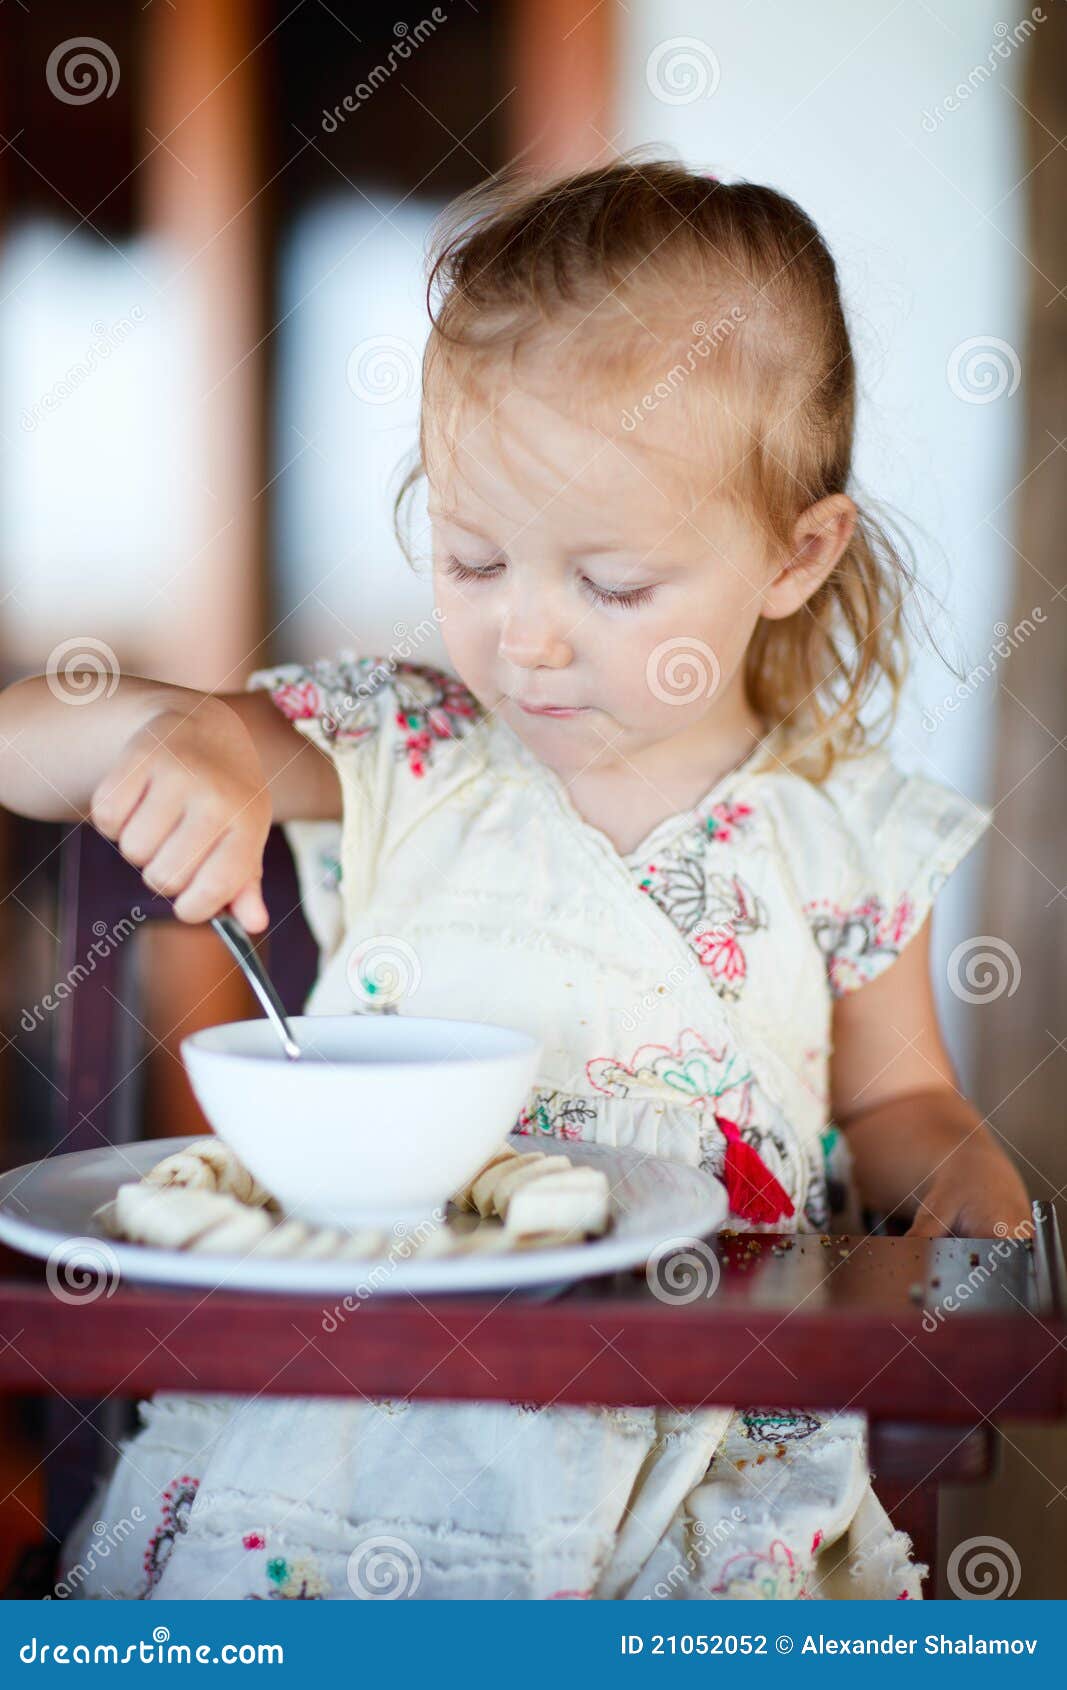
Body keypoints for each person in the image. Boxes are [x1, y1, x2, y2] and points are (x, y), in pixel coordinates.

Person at [0, 154, 1031, 1600]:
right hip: (366, 1417)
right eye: (475, 560)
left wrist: (966, 1183)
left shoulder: (842, 828)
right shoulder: (412, 747)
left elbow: (899, 1098)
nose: (529, 642)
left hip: (708, 1427)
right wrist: (176, 735)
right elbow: (27, 742)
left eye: (610, 587)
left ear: (797, 555)